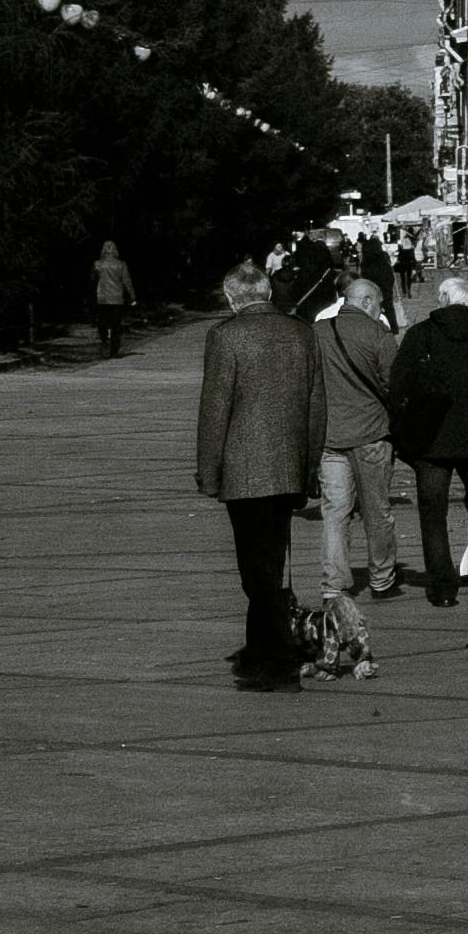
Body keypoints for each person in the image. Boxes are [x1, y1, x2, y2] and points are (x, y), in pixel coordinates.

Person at [194, 259, 323, 688]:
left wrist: (208, 473)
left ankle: (278, 660)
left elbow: (215, 410)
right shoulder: (302, 334)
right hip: (288, 467)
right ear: (266, 293)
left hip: (244, 471)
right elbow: (316, 408)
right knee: (269, 563)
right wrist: (310, 467)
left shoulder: (225, 336)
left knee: (257, 571)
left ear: (233, 298)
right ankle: (257, 652)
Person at [386, 274, 468, 609]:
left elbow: (398, 385)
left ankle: (441, 586)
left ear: (441, 298)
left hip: (431, 438)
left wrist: (402, 431)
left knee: (432, 513)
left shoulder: (421, 335)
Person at [312, 271, 405, 602]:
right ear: (366, 301)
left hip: (330, 437)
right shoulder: (378, 334)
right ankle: (381, 578)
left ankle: (333, 584)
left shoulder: (319, 331)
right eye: (377, 304)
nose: (379, 310)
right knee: (376, 510)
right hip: (371, 435)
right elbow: (393, 385)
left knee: (335, 513)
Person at [93, 240, 137, 358]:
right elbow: (127, 281)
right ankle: (114, 349)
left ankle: (104, 340)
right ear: (115, 250)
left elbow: (93, 279)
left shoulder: (98, 264)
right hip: (117, 298)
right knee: (116, 324)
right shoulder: (121, 264)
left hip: (102, 298)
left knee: (102, 322)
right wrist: (132, 297)